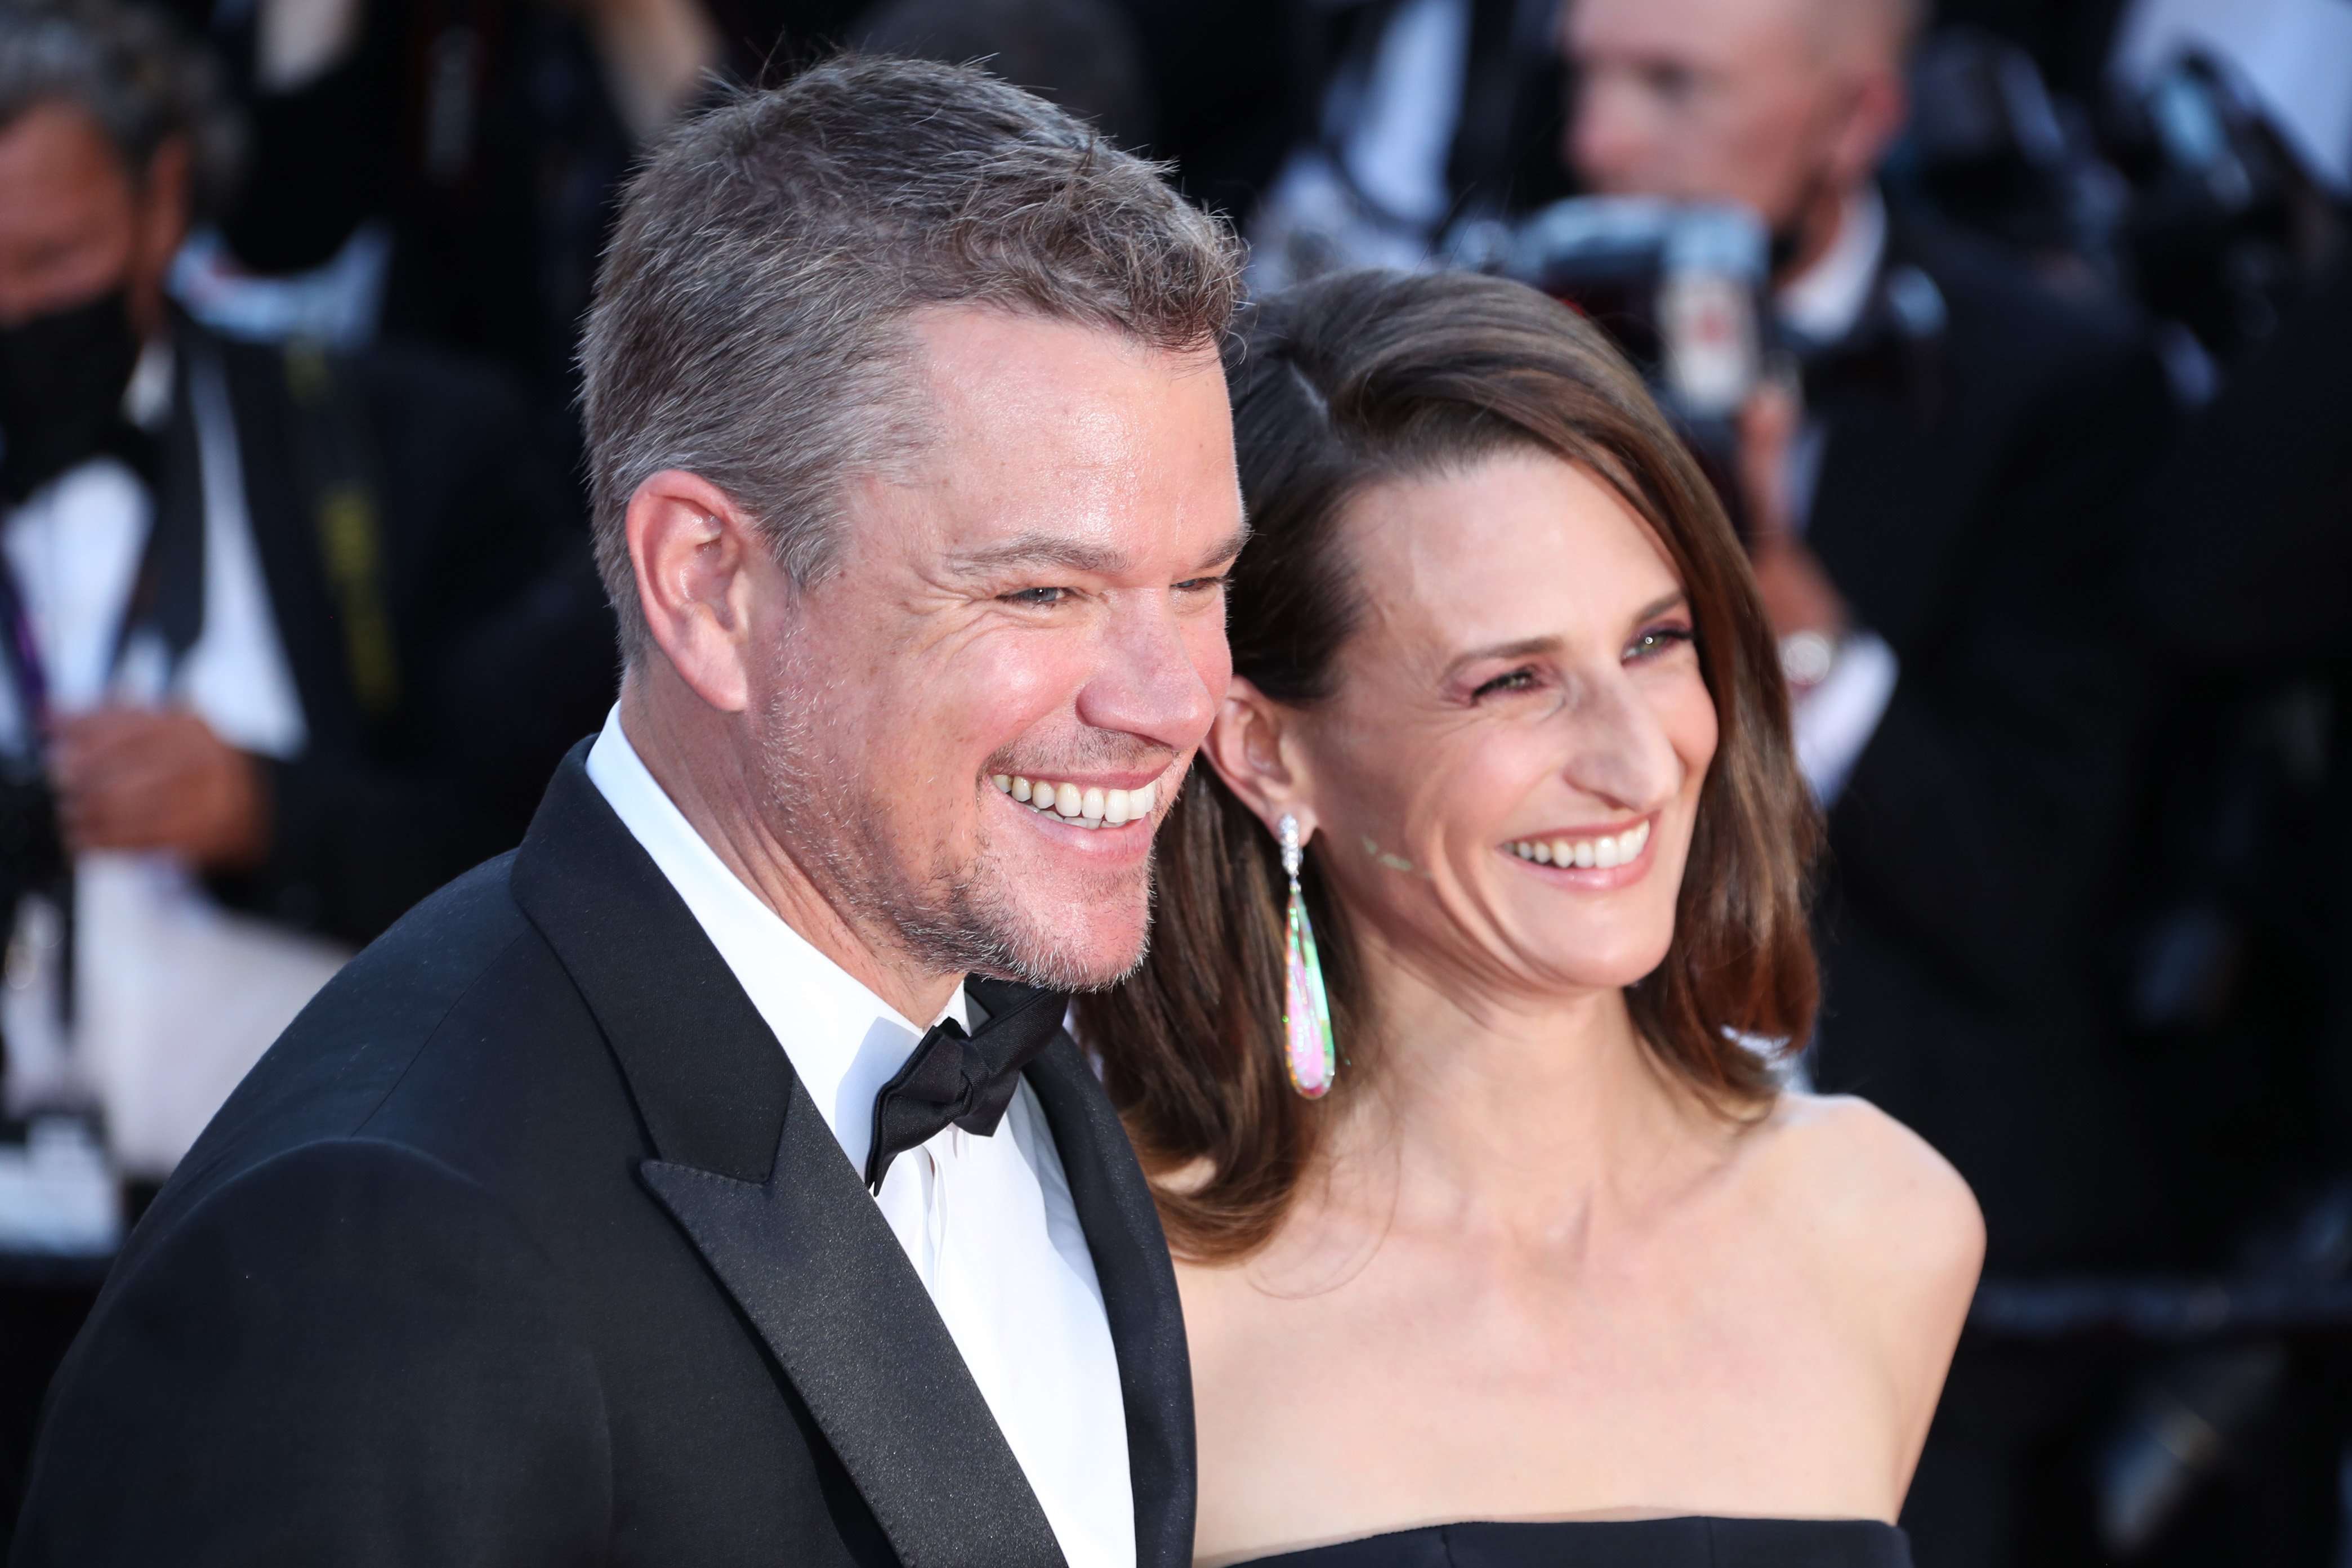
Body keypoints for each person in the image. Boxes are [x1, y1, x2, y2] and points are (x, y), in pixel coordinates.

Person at [11, 55, 1244, 1566]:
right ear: (707, 587)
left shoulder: (1024, 1048)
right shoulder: (380, 1257)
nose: (1175, 696)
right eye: (1042, 590)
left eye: (1199, 582)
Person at [1081, 267, 1983, 1567]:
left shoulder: (1882, 1224)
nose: (1637, 760)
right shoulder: (1104, 1288)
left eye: (1654, 643)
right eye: (1511, 681)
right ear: (1267, 752)